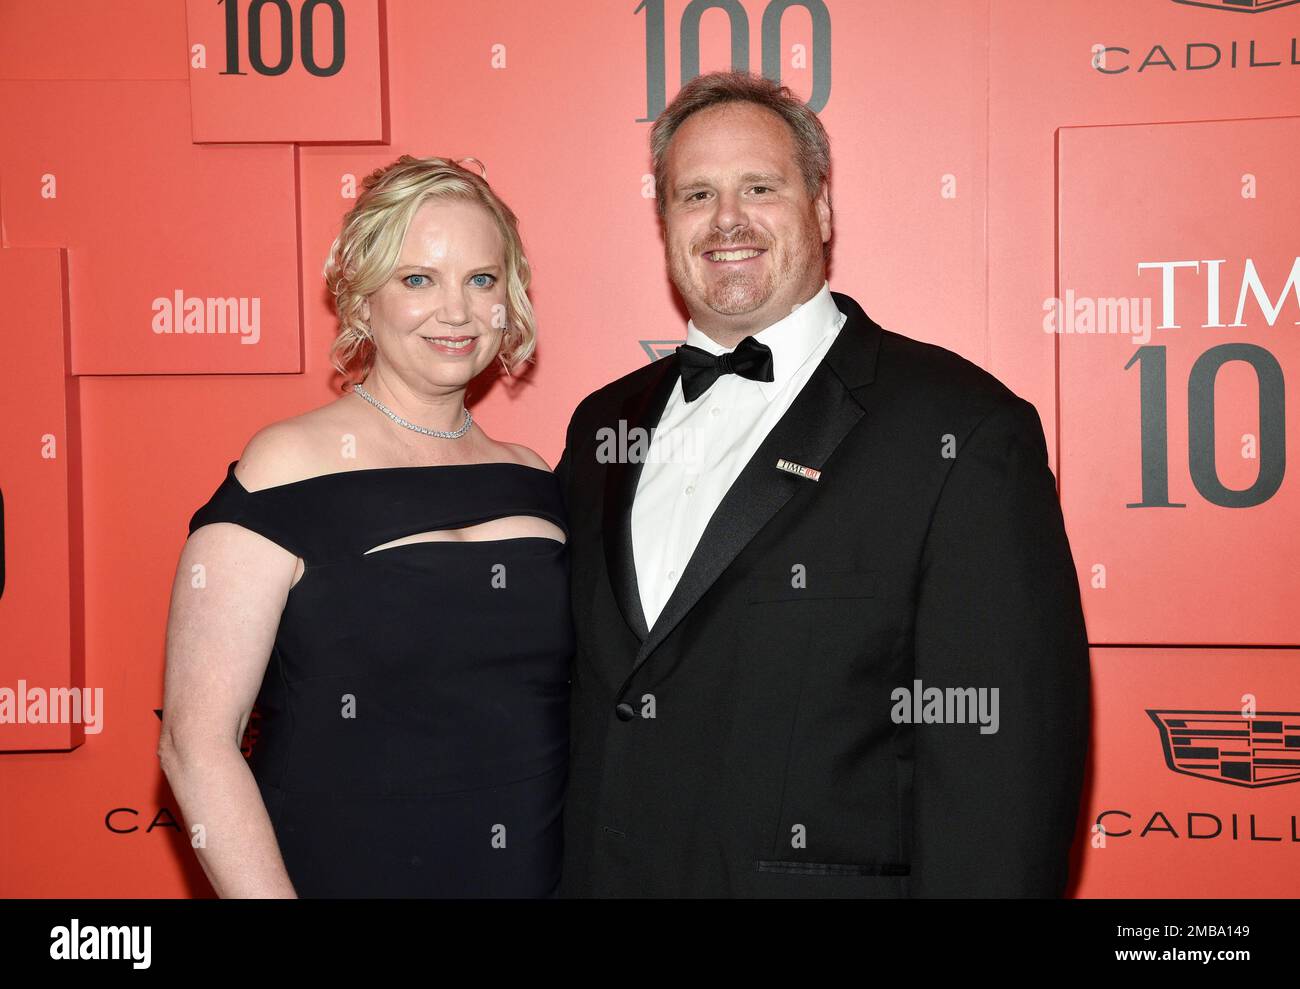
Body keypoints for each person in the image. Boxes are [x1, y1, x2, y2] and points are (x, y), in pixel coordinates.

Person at [555, 72, 1091, 897]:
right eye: (696, 194)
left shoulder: (961, 431)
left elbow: (1002, 778)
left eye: (759, 187)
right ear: (665, 223)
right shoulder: (600, 427)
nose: (726, 219)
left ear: (823, 209)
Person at [158, 155, 571, 898]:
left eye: (481, 280)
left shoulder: (536, 478)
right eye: (418, 279)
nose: (456, 311)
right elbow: (196, 744)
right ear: (361, 296)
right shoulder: (287, 465)